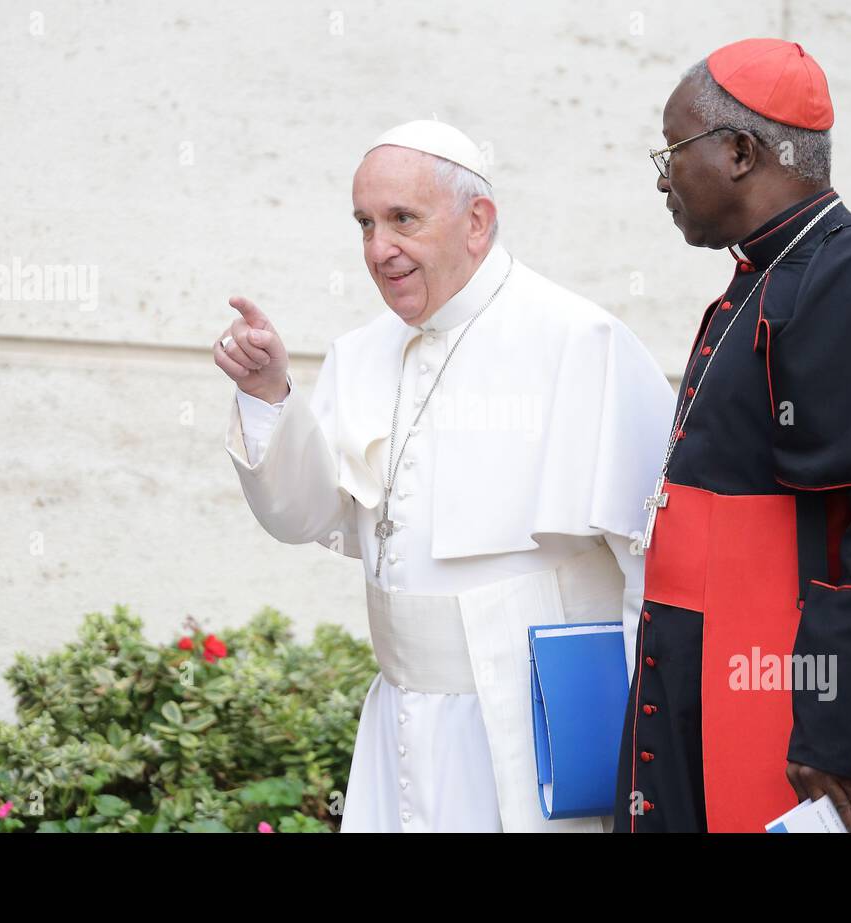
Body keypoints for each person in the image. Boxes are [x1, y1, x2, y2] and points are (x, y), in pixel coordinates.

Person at [215, 119, 675, 832]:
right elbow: (304, 517)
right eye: (365, 224)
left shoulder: (580, 340)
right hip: (401, 711)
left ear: (477, 221)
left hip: (531, 728)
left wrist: (646, 751)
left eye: (403, 219)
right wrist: (271, 394)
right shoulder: (361, 351)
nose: (378, 249)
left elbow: (656, 567)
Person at [614, 38, 851, 833]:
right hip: (696, 682)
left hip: (773, 706)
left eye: (672, 149)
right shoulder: (766, 275)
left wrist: (840, 727)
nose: (662, 176)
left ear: (738, 150)